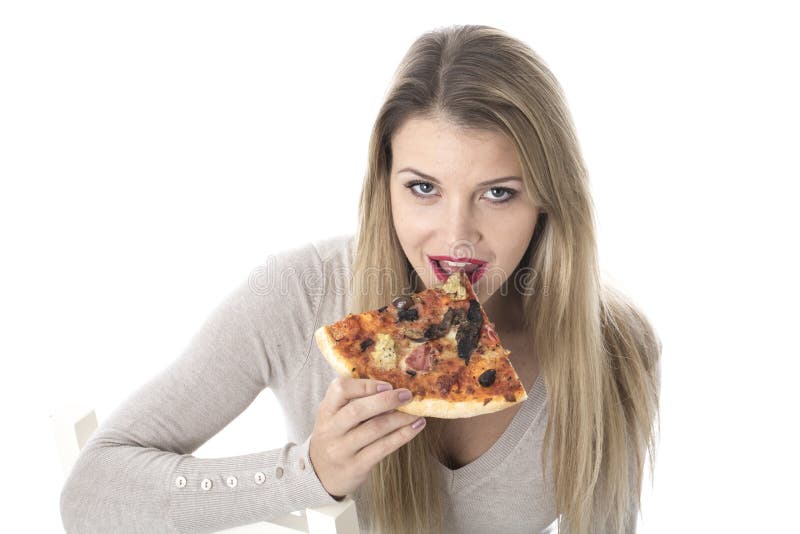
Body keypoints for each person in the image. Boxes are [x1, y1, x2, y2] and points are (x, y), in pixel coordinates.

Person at [60, 24, 661, 534]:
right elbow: (91, 492)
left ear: (549, 202)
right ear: (385, 184)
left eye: (498, 194)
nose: (457, 237)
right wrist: (308, 474)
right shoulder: (297, 294)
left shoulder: (619, 350)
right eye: (423, 188)